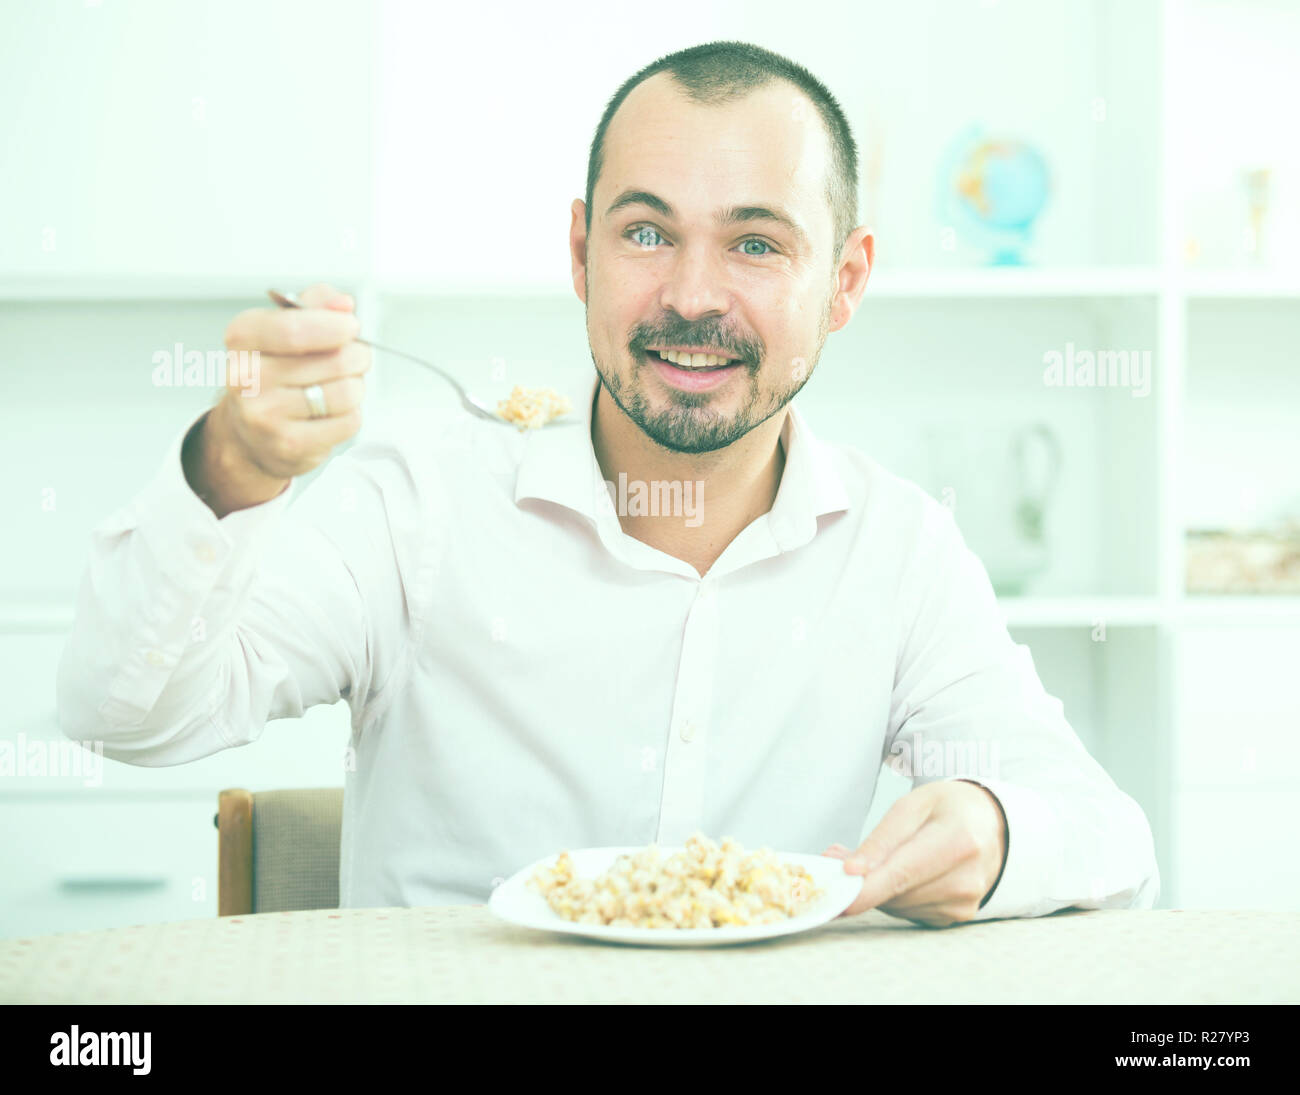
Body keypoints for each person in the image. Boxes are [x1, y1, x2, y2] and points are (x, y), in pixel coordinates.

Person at [57, 40, 1158, 928]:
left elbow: (1107, 836)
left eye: (757, 246)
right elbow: (128, 717)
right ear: (580, 254)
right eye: (645, 233)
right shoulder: (417, 501)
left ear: (845, 281)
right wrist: (234, 471)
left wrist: (997, 830)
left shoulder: (899, 549)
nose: (690, 296)